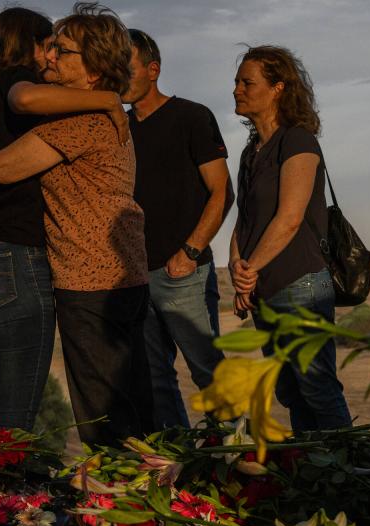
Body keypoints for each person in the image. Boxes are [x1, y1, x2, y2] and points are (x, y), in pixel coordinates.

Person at [0, 3, 151, 447]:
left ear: (93, 68)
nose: (48, 58)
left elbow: (3, 168)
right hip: (103, 278)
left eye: (61, 51)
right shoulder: (83, 114)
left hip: (93, 281)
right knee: (118, 409)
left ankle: (129, 504)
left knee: (108, 420)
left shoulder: (83, 122)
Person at [230, 45, 351, 433]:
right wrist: (238, 269)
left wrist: (250, 270)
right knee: (290, 391)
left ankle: (346, 473)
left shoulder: (297, 141)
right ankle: (315, 472)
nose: (236, 90)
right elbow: (244, 220)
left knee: (317, 387)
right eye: (237, 81)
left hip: (300, 286)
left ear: (278, 88)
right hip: (265, 289)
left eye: (247, 82)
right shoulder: (252, 152)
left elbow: (290, 218)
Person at [121, 29, 230, 430]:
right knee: (154, 379)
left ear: (154, 69)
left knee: (209, 373)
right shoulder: (119, 129)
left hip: (184, 272)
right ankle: (180, 469)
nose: (120, 76)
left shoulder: (192, 116)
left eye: (128, 67)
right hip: (135, 276)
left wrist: (190, 253)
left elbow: (222, 192)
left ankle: (239, 463)